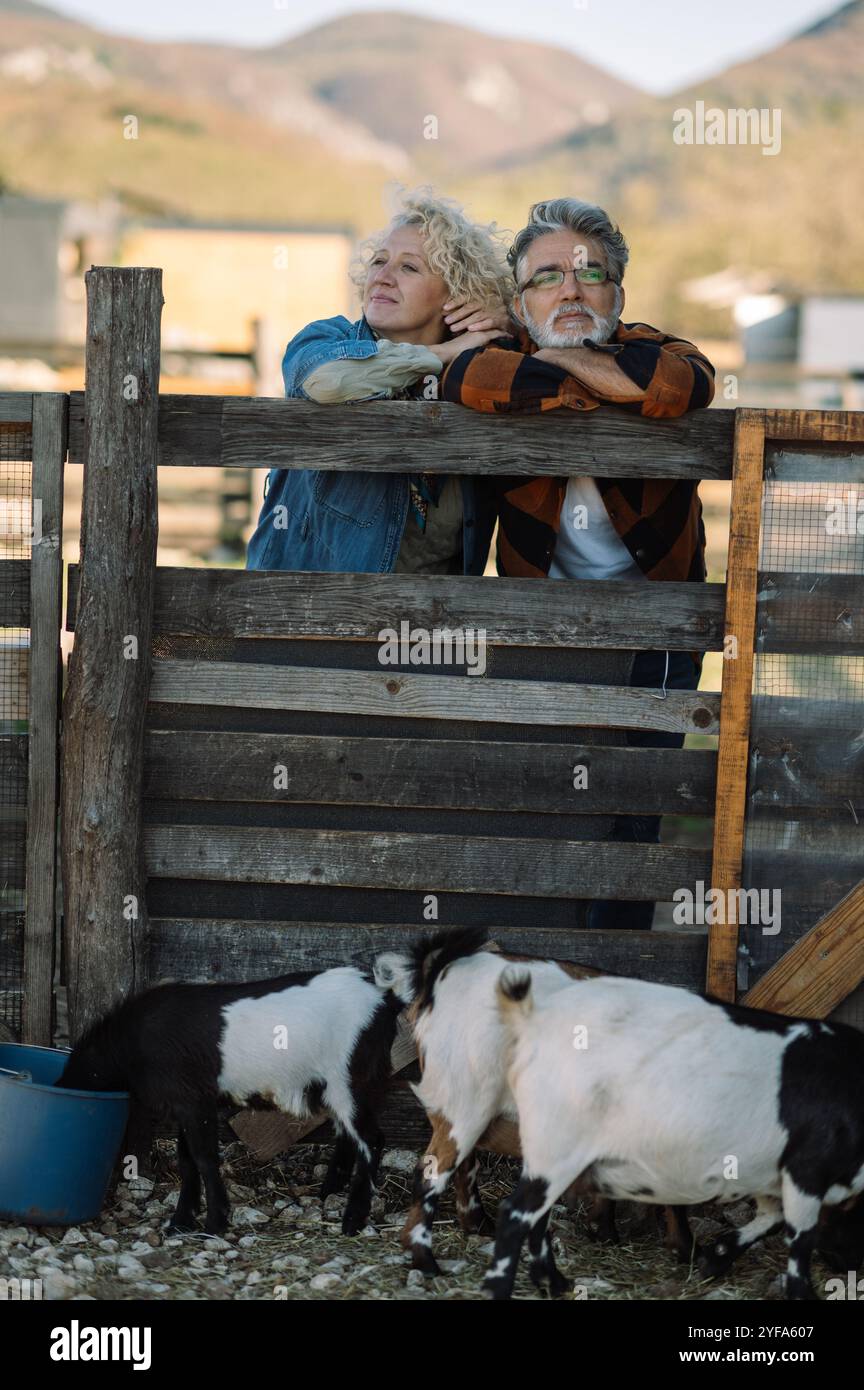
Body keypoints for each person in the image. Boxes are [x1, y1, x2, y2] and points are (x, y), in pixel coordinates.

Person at [441, 196, 716, 930]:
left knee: (636, 806)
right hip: (541, 624)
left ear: (619, 295)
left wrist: (561, 365)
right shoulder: (502, 359)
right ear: (519, 297)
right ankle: (541, 959)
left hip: (659, 625)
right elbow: (463, 379)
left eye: (591, 274)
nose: (571, 290)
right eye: (548, 277)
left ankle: (615, 967)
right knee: (548, 798)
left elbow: (683, 386)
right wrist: (596, 381)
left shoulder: (658, 346)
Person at [245, 189, 510, 576]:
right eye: (378, 261)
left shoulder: (476, 375)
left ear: (456, 294)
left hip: (424, 629)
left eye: (409, 268)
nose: (382, 277)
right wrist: (443, 352)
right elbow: (329, 383)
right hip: (301, 621)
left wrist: (507, 328)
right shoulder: (326, 339)